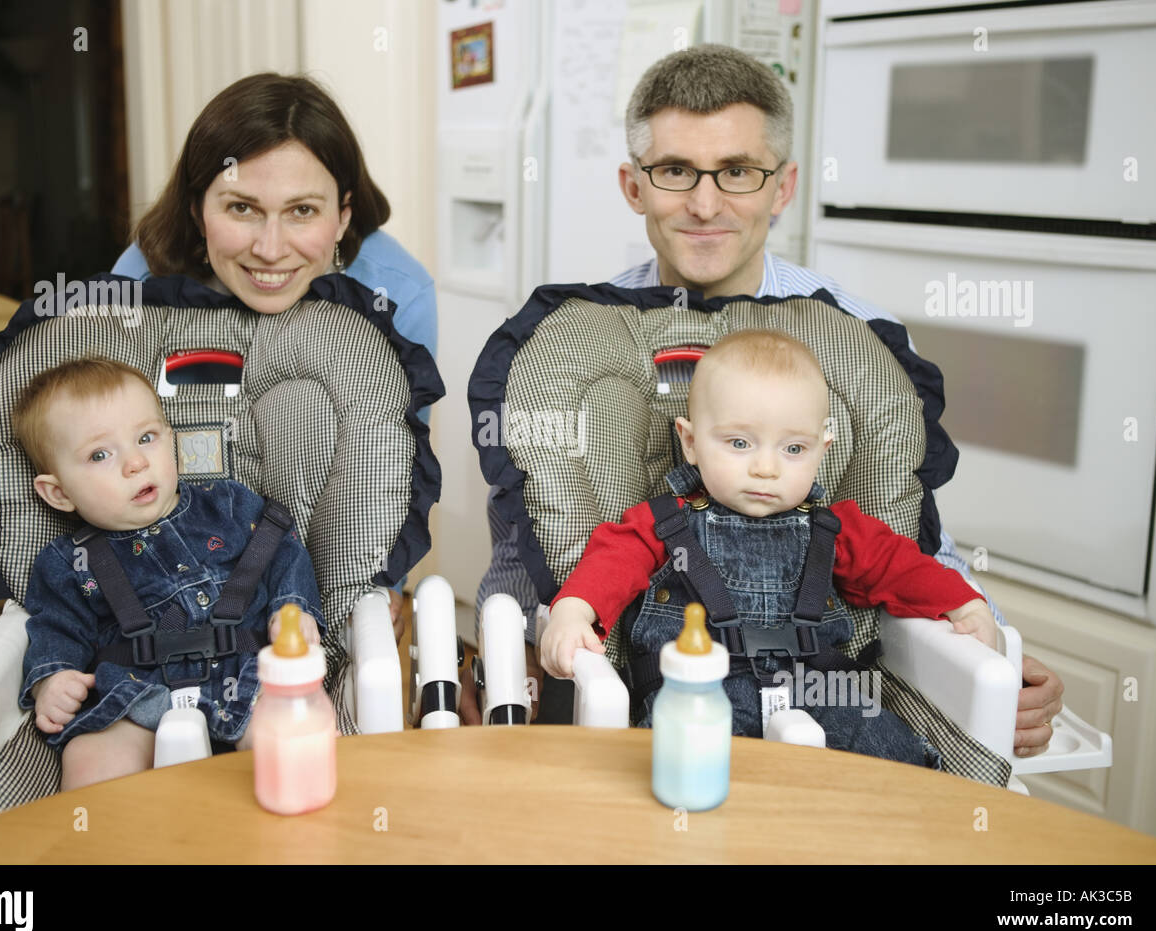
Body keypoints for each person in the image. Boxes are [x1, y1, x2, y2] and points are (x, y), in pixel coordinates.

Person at [469, 44, 1064, 758]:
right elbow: (530, 523)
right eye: (675, 170)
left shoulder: (852, 341)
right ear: (634, 186)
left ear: (781, 188)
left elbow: (909, 532)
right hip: (674, 683)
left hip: (823, 681)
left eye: (739, 172)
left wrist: (994, 653)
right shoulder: (584, 339)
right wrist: (501, 656)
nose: (705, 202)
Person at [541, 330, 1000, 767]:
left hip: (822, 689)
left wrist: (962, 602)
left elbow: (900, 568)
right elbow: (612, 560)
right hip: (699, 692)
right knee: (675, 759)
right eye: (739, 443)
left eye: (794, 449)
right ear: (691, 442)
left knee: (894, 755)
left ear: (823, 449)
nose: (766, 468)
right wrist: (575, 612)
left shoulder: (834, 529)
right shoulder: (665, 524)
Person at [111, 71, 435, 636]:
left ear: (345, 213)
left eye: (303, 211)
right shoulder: (140, 281)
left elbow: (386, 470)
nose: (270, 248)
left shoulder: (398, 291)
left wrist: (374, 592)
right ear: (196, 209)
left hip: (327, 557)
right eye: (241, 208)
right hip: (167, 564)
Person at [14, 357, 323, 790]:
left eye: (146, 437)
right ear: (59, 492)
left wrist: (292, 608)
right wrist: (53, 677)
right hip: (135, 694)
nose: (136, 463)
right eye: (100, 454)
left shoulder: (229, 505)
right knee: (90, 760)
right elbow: (56, 626)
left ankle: (292, 840)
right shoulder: (70, 563)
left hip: (248, 676)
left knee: (291, 736)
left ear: (171, 440)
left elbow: (282, 551)